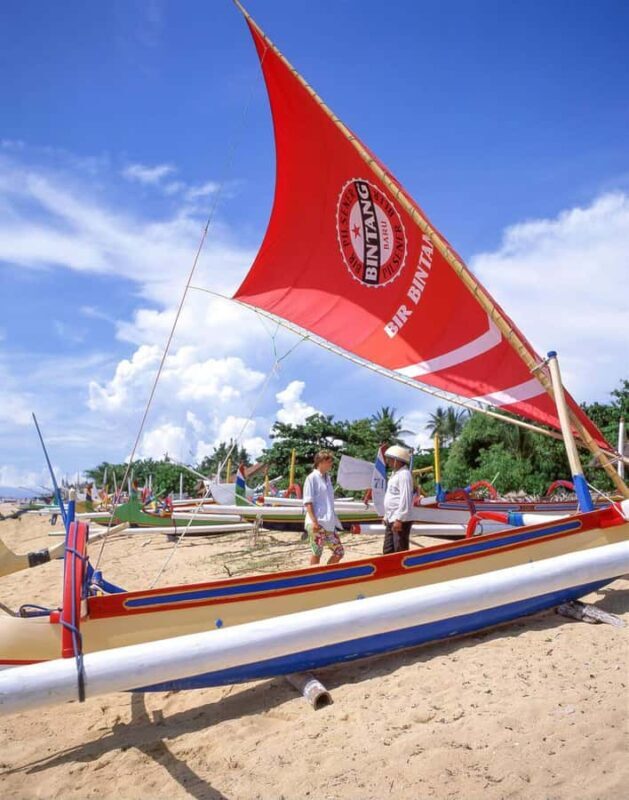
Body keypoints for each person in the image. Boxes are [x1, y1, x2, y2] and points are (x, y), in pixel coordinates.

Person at [303, 450, 344, 566]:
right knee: (317, 551)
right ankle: (312, 579)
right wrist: (315, 522)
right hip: (316, 522)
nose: (331, 464)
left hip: (328, 523)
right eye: (328, 461)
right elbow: (308, 502)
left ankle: (327, 574)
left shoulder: (328, 479)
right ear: (320, 462)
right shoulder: (311, 478)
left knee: (339, 552)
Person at [382, 445, 414, 554]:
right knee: (388, 550)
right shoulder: (395, 474)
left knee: (400, 550)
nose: (388, 462)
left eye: (390, 459)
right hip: (392, 517)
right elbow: (391, 495)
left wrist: (399, 519)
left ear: (397, 460)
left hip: (399, 519)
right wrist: (386, 515)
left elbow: (405, 497)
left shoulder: (404, 474)